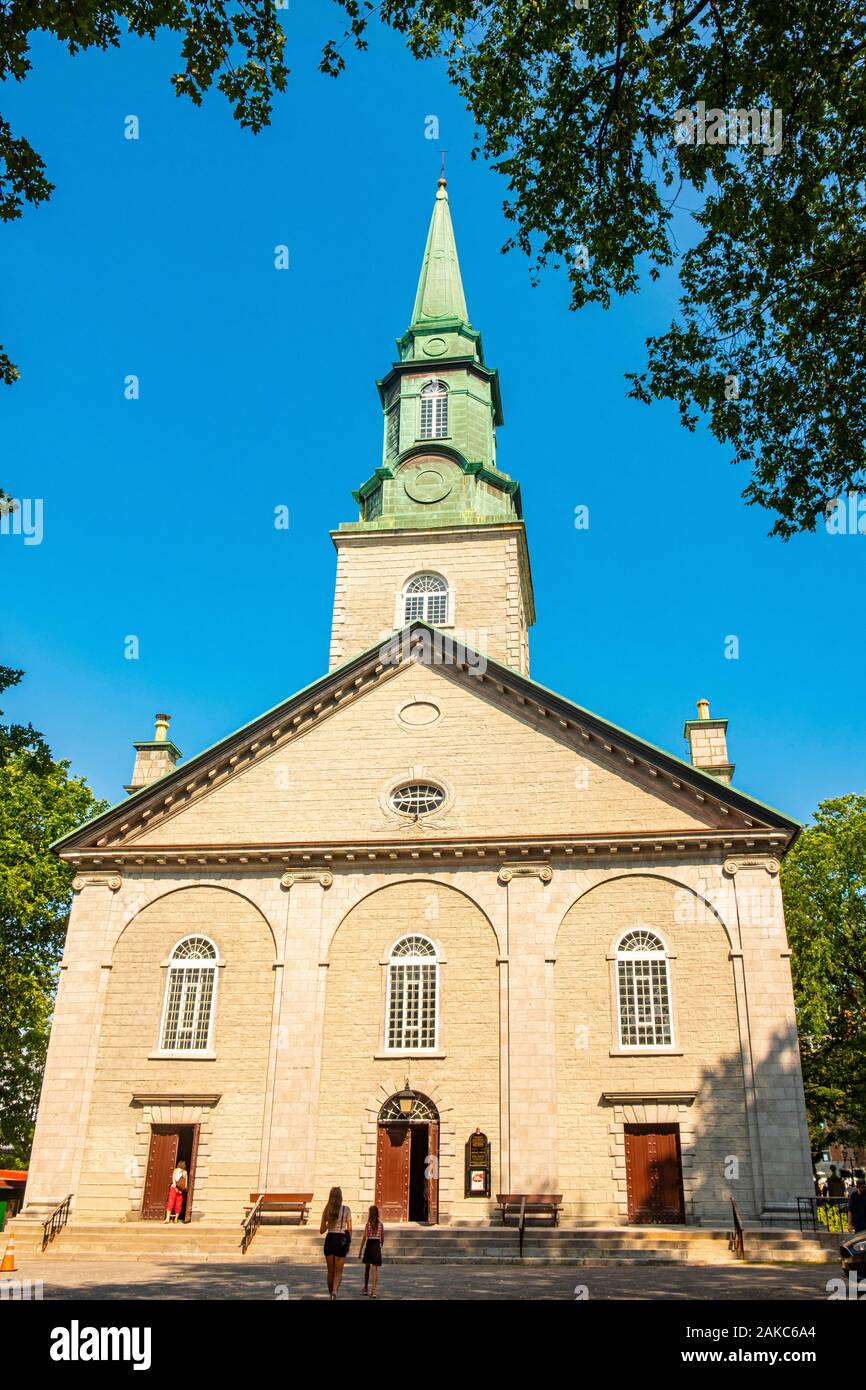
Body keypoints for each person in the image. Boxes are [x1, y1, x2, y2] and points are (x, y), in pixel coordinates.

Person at [320, 1186, 352, 1299]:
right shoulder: (346, 1209)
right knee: (338, 1272)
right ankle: (334, 1291)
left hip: (329, 1240)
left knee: (330, 1272)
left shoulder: (327, 1210)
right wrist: (348, 1243)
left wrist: (329, 1224)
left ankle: (330, 1293)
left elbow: (321, 1230)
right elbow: (350, 1229)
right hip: (340, 1240)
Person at [359, 1205, 384, 1297]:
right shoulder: (380, 1225)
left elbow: (364, 1238)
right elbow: (382, 1238)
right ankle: (374, 1291)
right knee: (375, 1270)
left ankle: (366, 1288)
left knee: (367, 1268)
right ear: (377, 1214)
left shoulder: (368, 1224)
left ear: (370, 1214)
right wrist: (381, 1245)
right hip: (376, 1246)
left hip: (369, 1246)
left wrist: (360, 1250)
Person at [164, 1159, 187, 1223]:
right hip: (180, 1191)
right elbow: (185, 1184)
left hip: (174, 1188)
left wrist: (176, 1187)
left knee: (171, 1202)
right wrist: (180, 1189)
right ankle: (176, 1219)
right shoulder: (185, 1172)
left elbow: (173, 1179)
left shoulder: (175, 1170)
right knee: (178, 1203)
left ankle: (167, 1219)